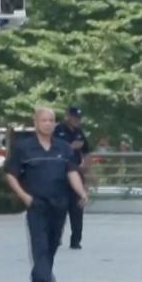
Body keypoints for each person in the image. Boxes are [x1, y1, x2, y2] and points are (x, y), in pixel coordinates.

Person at [4, 106, 90, 282]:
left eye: (51, 120)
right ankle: (47, 281)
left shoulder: (63, 147)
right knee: (40, 243)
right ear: (36, 123)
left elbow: (72, 172)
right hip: (36, 203)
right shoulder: (24, 147)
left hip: (59, 203)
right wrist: (24, 196)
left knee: (53, 242)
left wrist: (81, 192)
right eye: (44, 120)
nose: (48, 124)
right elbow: (11, 174)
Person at [52, 106, 91, 249]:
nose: (76, 120)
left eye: (78, 118)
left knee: (77, 209)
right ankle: (55, 239)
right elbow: (53, 150)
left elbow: (87, 151)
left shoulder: (79, 132)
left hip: (77, 174)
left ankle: (76, 240)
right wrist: (71, 146)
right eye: (74, 117)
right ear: (67, 116)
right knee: (59, 210)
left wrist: (86, 167)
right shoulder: (58, 131)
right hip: (61, 175)